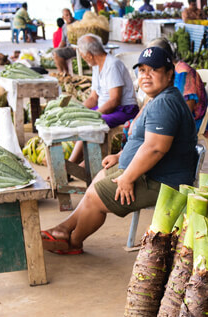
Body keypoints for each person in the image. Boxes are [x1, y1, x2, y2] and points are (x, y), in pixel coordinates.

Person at [41, 46, 198, 255]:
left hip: (163, 180)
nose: (146, 76)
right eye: (142, 70)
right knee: (99, 179)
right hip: (150, 171)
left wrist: (128, 178)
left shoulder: (165, 104)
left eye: (154, 70)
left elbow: (155, 149)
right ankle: (64, 229)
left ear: (169, 74)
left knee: (96, 197)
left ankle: (73, 242)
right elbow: (143, 141)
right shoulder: (160, 98)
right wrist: (120, 156)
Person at [67, 34, 140, 164]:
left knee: (91, 124)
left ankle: (71, 165)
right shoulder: (96, 66)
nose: (84, 59)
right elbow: (93, 98)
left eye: (83, 56)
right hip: (108, 109)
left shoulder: (112, 65)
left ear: (89, 55)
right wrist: (77, 110)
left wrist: (95, 115)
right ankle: (82, 163)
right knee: (80, 121)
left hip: (124, 110)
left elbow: (114, 100)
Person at [147, 37, 207, 130]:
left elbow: (186, 111)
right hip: (169, 117)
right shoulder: (164, 71)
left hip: (190, 123)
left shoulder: (183, 73)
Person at [52, 9, 77, 74]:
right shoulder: (64, 26)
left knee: (58, 53)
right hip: (68, 48)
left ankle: (65, 72)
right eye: (67, 15)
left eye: (70, 14)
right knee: (55, 52)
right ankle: (62, 73)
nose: (69, 16)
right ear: (63, 17)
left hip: (75, 48)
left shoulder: (77, 23)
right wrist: (57, 48)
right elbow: (63, 41)